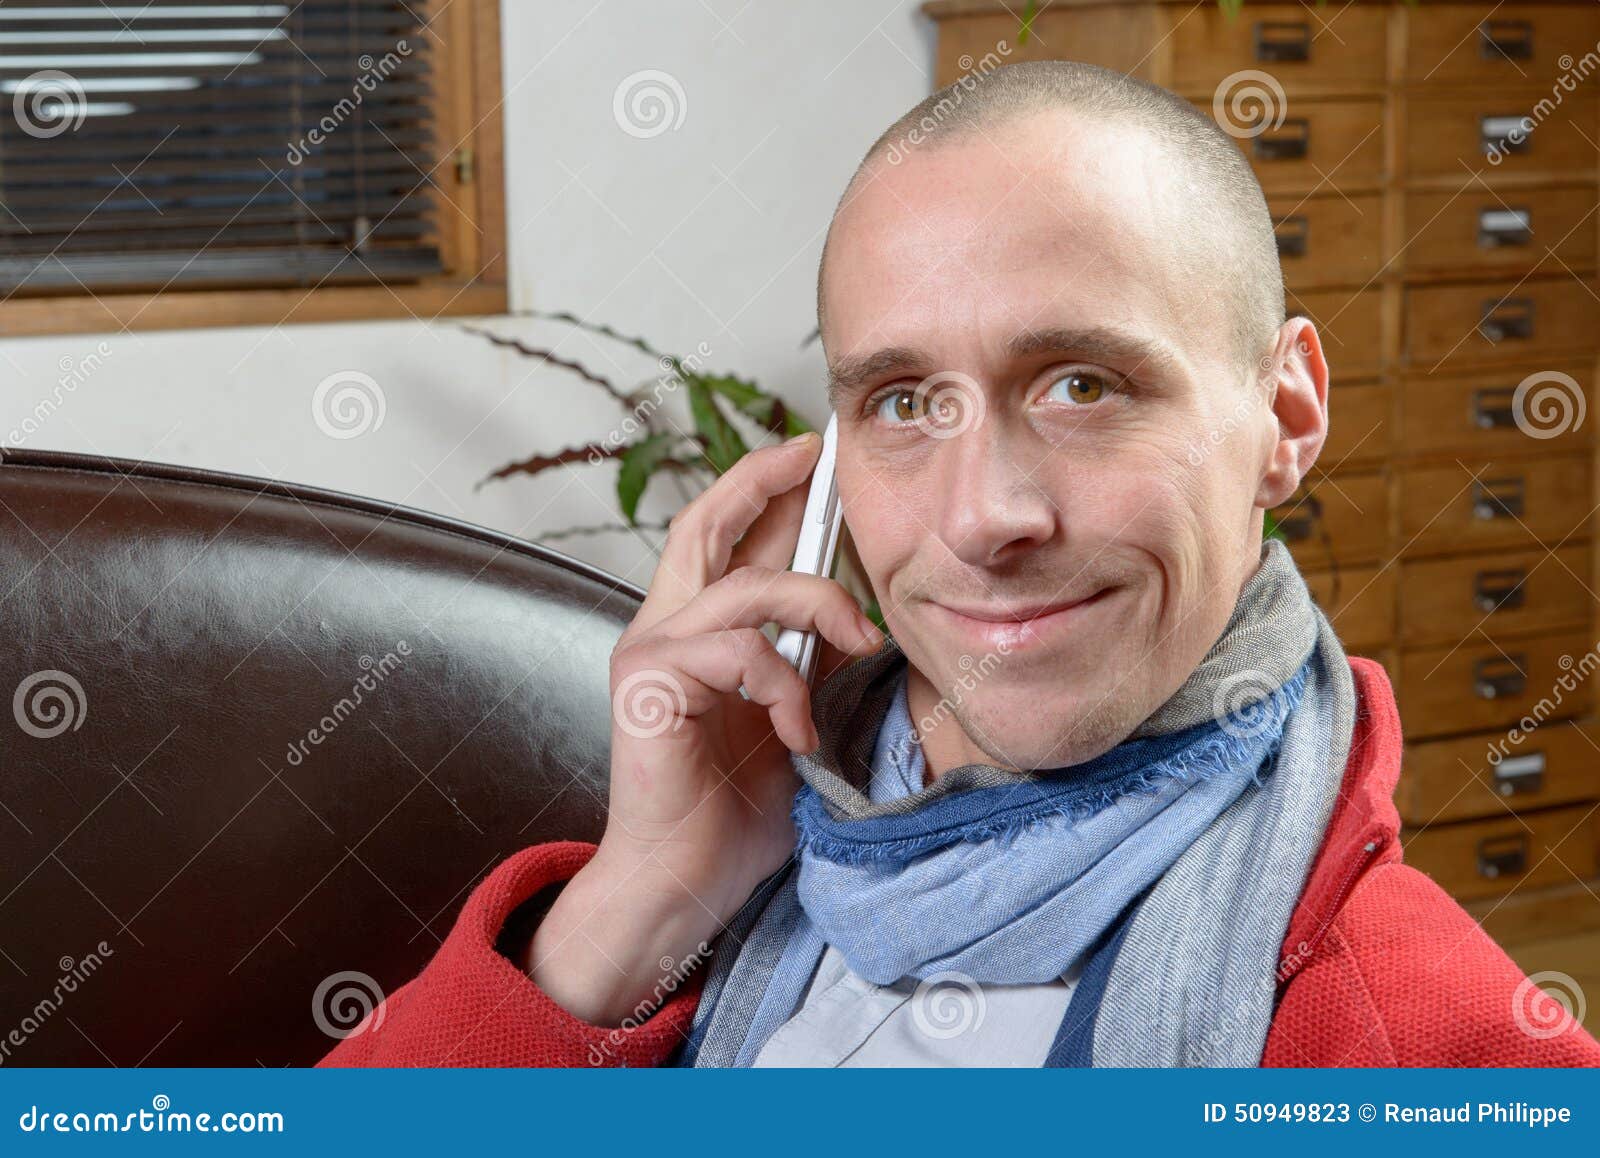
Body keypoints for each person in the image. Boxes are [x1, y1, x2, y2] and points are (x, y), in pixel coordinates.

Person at [322, 60, 1600, 1067]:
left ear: (1287, 419)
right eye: (904, 401)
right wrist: (647, 896)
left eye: (1083, 384)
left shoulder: (1419, 1043)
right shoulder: (734, 857)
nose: (986, 516)